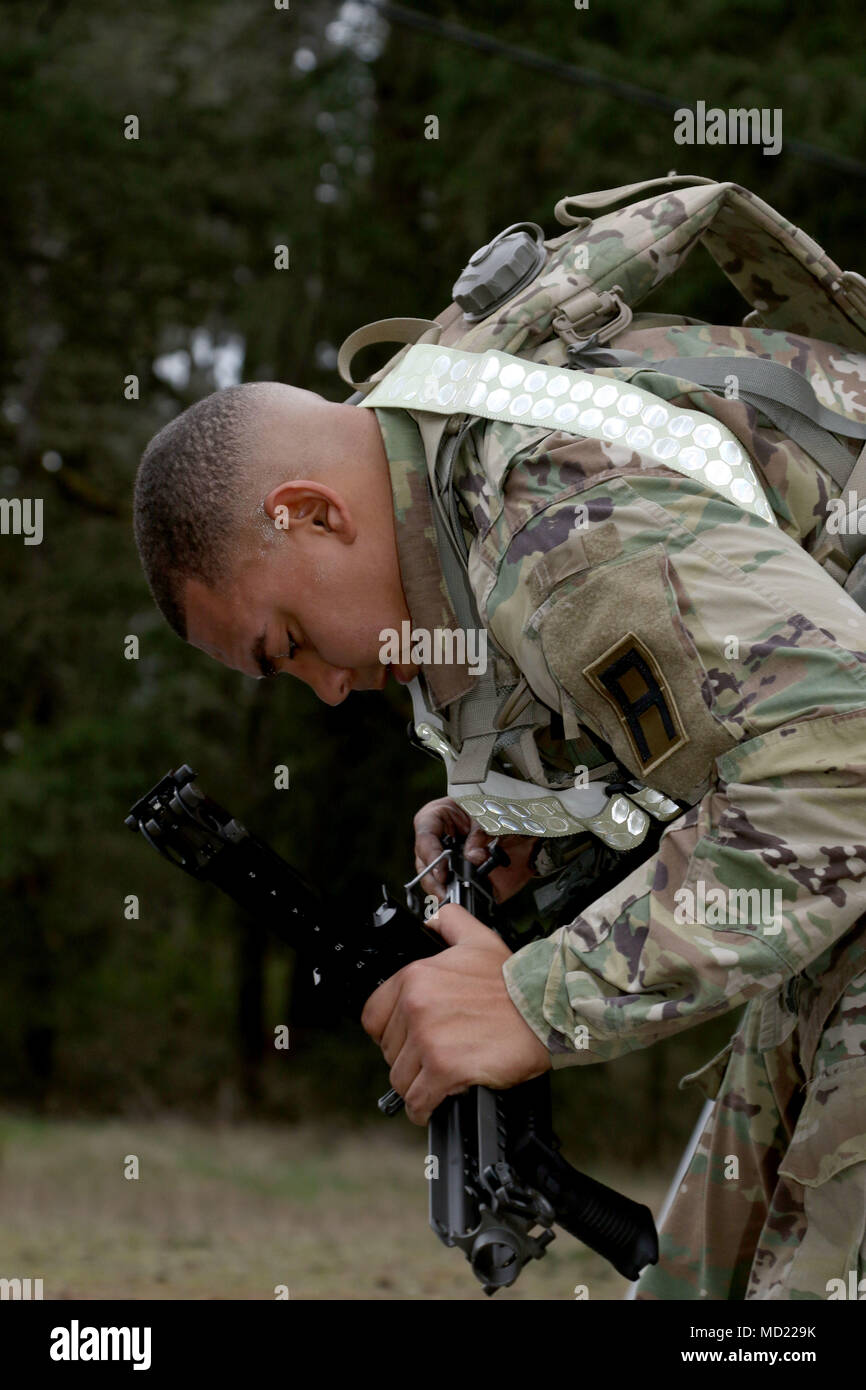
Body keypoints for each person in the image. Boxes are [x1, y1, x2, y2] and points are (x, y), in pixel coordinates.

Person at [132, 365, 866, 1300]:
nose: (326, 686)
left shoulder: (553, 527)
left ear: (311, 514)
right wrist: (561, 839)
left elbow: (838, 767)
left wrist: (538, 999)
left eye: (290, 643)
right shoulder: (463, 470)